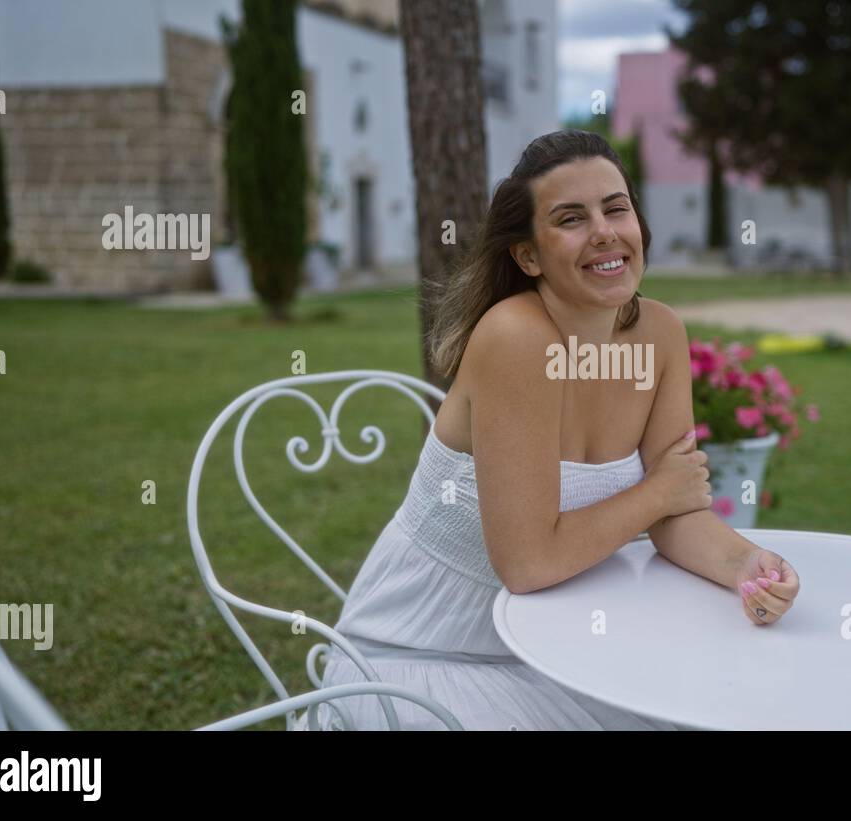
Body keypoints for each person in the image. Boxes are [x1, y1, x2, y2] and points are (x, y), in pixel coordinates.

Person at [313, 130, 801, 731]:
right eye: (571, 218)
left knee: (709, 712)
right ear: (528, 256)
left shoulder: (661, 336)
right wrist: (656, 493)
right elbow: (529, 562)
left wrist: (745, 565)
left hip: (554, 654)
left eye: (616, 208)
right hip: (417, 660)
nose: (603, 231)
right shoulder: (516, 339)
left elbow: (678, 516)